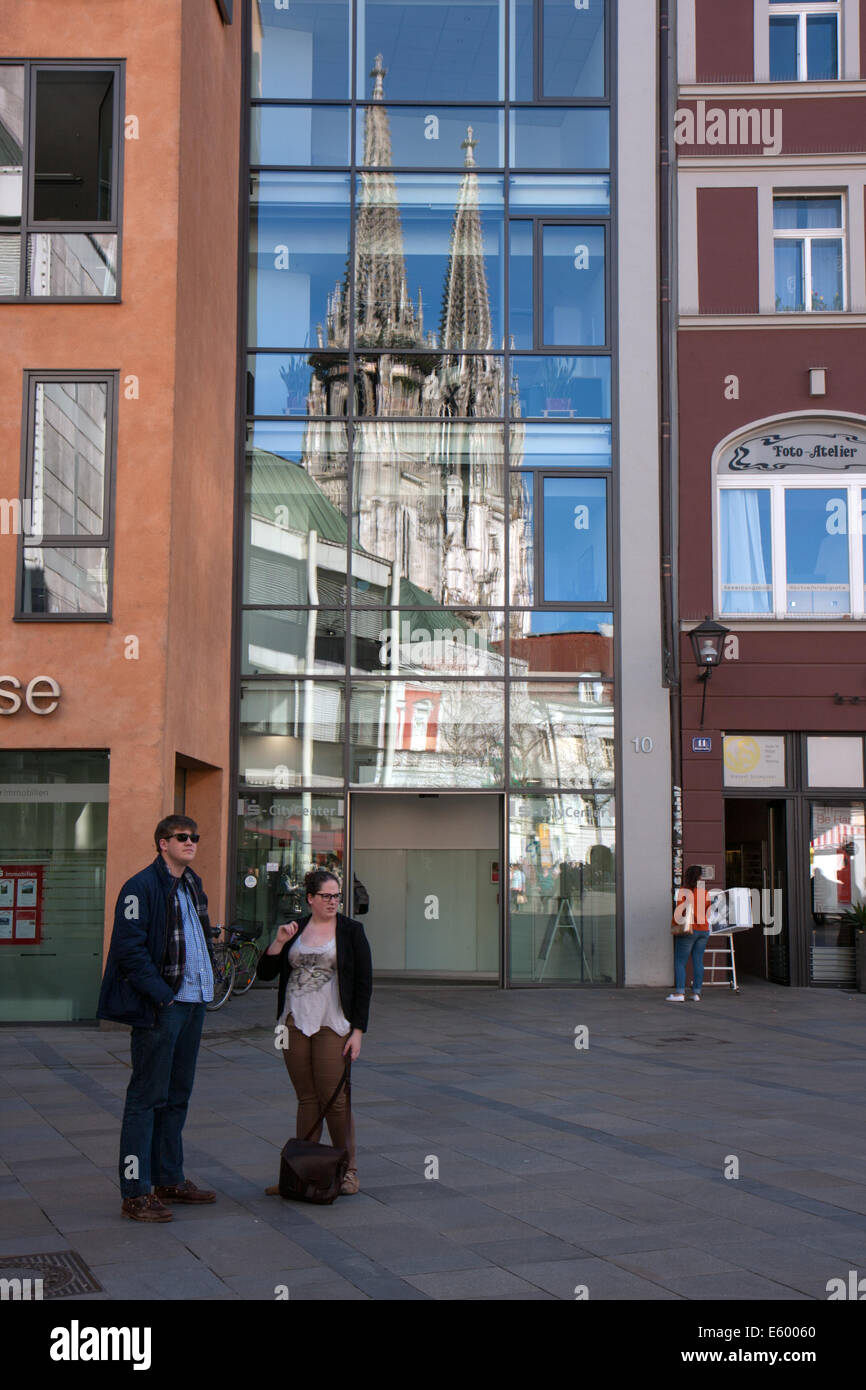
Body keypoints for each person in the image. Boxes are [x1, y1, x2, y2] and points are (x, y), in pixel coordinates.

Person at [97, 815, 217, 1222]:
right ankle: (135, 1192)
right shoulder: (140, 886)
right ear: (162, 843)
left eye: (194, 837)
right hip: (163, 1007)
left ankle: (169, 1178)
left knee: (177, 1096)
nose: (191, 842)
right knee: (145, 1099)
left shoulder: (192, 884)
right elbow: (129, 950)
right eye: (182, 837)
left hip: (195, 1002)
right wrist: (163, 996)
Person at [258, 868, 372, 1196]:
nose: (333, 901)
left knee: (335, 1100)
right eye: (326, 896)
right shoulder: (295, 930)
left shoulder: (351, 932)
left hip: (333, 1024)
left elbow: (364, 983)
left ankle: (347, 1170)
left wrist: (358, 1031)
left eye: (337, 896)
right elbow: (265, 973)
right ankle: (300, 1172)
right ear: (310, 898)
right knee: (306, 1098)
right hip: (295, 1022)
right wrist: (278, 942)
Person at [667, 863, 711, 1002]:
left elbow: (680, 912)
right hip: (703, 930)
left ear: (687, 876)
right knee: (698, 961)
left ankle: (680, 993)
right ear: (699, 877)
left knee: (680, 962)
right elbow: (708, 912)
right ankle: (696, 993)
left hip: (688, 930)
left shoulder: (683, 892)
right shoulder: (705, 893)